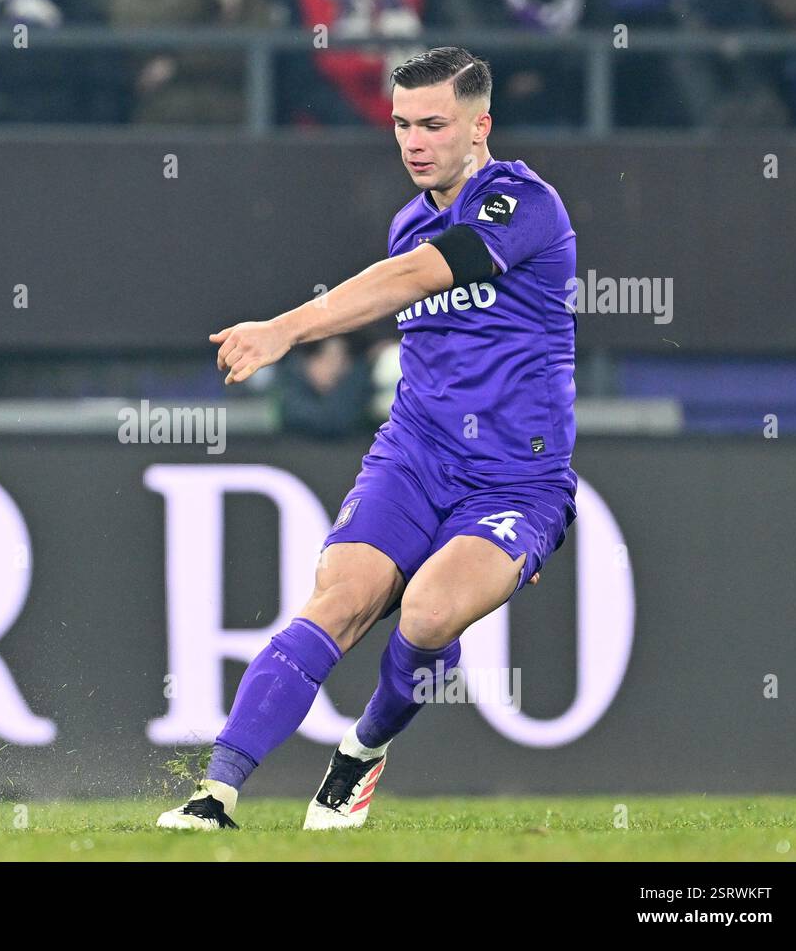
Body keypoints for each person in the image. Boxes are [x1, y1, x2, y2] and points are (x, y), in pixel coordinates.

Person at [157, 46, 577, 830]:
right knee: (338, 600)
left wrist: (283, 327)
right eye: (402, 124)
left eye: (434, 124)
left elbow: (416, 279)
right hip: (414, 458)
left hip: (516, 481)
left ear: (480, 126)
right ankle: (215, 795)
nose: (414, 142)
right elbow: (409, 294)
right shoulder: (408, 221)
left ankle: (360, 752)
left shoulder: (521, 205)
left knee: (424, 617)